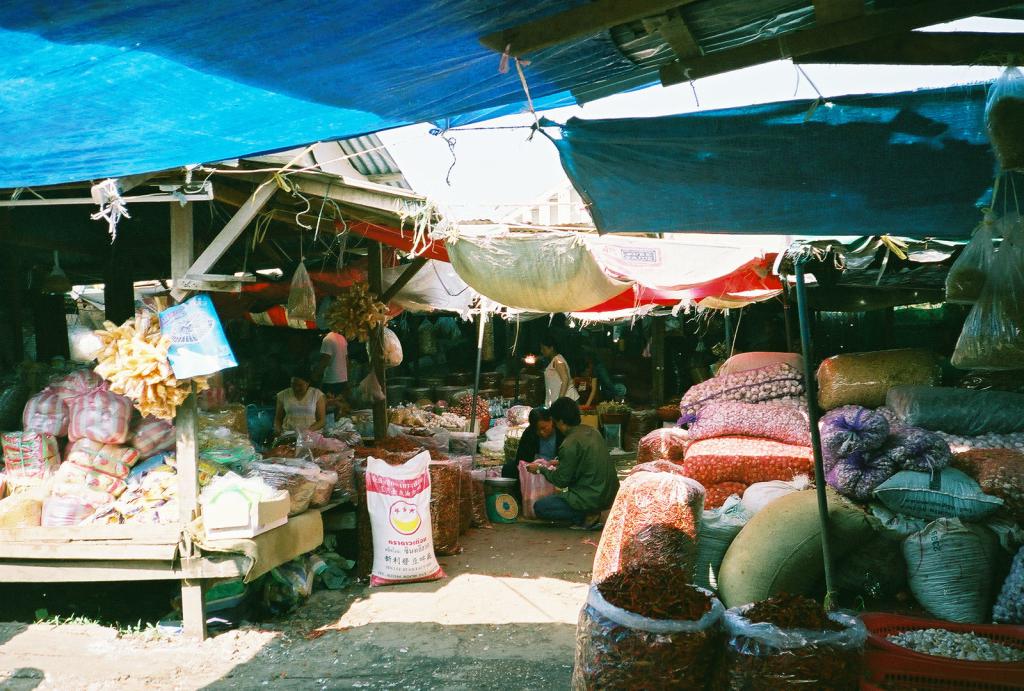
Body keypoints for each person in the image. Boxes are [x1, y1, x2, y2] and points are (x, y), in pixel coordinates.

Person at [527, 397, 619, 530]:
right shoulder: (593, 431)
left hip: (590, 498)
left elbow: (561, 480)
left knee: (540, 507)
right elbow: (585, 462)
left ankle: (585, 516)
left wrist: (540, 469)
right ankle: (592, 512)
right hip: (609, 495)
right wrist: (560, 462)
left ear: (561, 421)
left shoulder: (569, 443)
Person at [502, 407, 564, 479]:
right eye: (537, 430)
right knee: (509, 469)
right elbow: (521, 459)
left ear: (551, 420)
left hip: (556, 469)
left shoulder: (560, 432)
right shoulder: (529, 433)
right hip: (535, 469)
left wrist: (557, 463)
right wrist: (533, 465)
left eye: (544, 428)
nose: (541, 432)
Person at [274, 369, 326, 436]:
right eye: (293, 384)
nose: (296, 388)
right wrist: (278, 430)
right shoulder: (283, 395)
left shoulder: (317, 394)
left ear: (308, 383)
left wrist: (308, 431)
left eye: (300, 385)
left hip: (311, 434)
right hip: (288, 433)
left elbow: (322, 421)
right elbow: (278, 419)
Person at [541, 335, 579, 407]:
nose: (542, 351)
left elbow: (565, 379)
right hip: (563, 402)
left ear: (551, 348)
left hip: (567, 402)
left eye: (544, 349)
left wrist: (560, 401)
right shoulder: (556, 360)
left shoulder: (558, 360)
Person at [312, 331, 349, 397]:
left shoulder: (327, 339)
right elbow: (346, 360)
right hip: (343, 379)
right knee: (339, 403)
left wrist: (315, 375)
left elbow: (325, 360)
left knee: (329, 403)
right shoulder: (342, 338)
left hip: (331, 379)